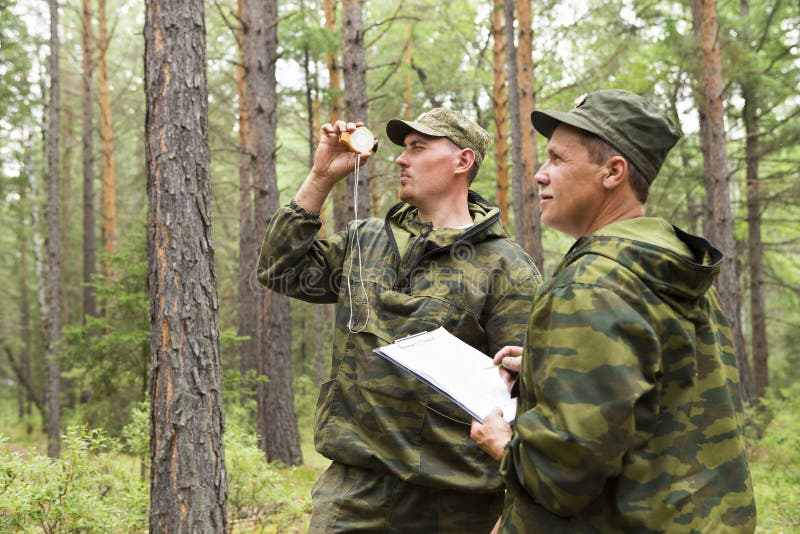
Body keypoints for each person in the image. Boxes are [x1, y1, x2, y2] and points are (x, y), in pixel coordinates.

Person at [470, 90, 757, 532]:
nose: (540, 176)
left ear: (612, 172)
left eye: (558, 159)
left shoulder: (593, 282)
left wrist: (503, 444)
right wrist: (549, 368)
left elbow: (560, 480)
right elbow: (664, 389)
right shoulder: (670, 263)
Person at [257, 107, 541, 532]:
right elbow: (280, 269)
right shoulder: (367, 240)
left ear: (462, 161)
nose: (399, 159)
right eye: (403, 148)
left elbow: (529, 395)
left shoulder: (505, 267)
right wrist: (320, 178)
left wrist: (513, 510)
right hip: (353, 491)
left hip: (455, 501)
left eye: (417, 148)